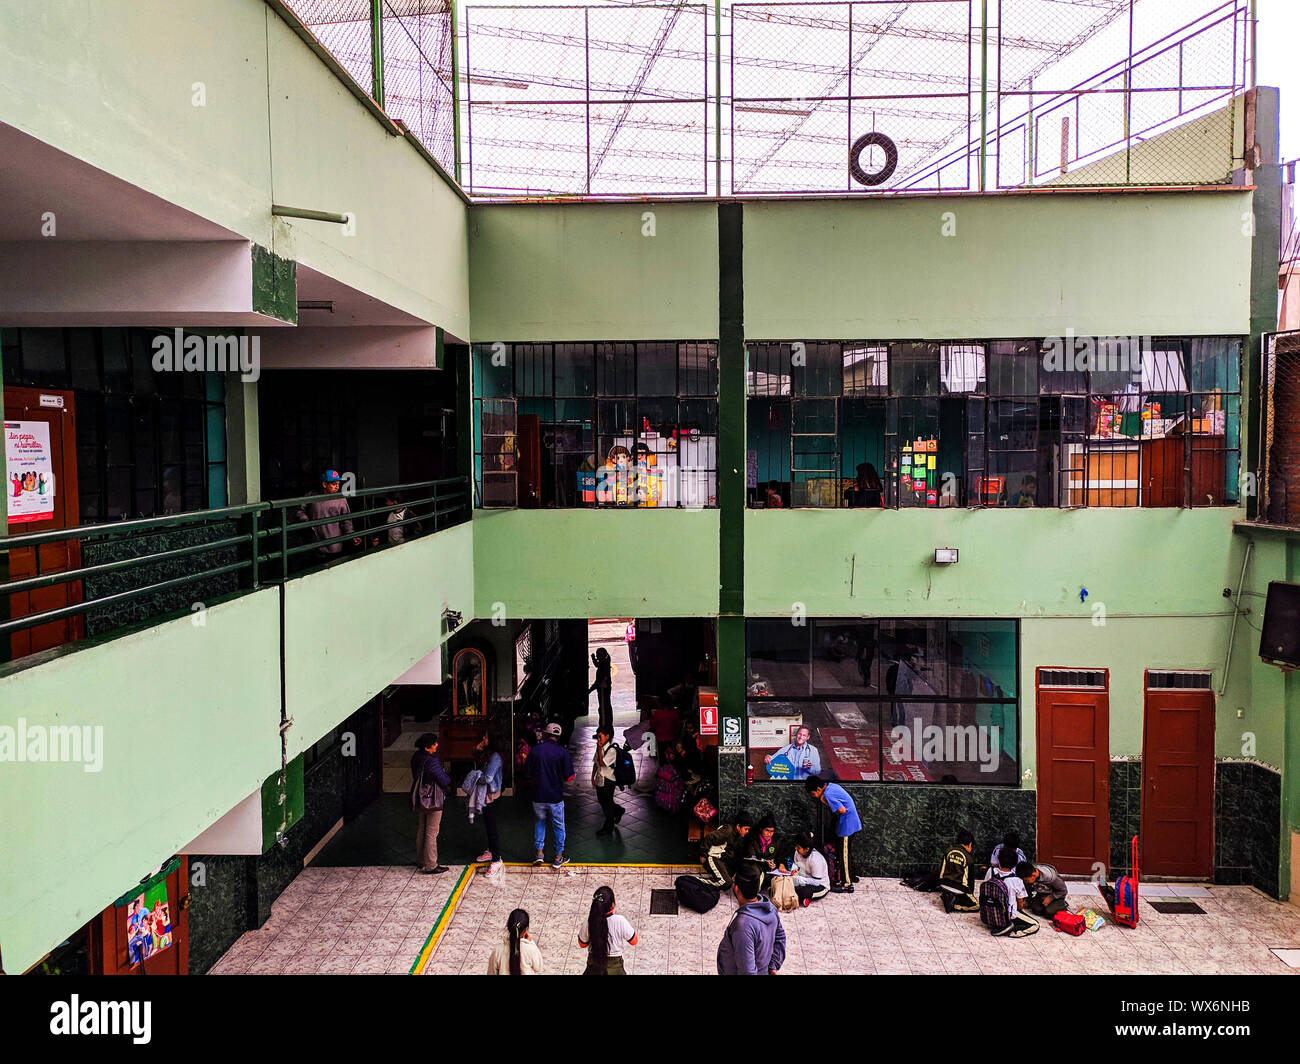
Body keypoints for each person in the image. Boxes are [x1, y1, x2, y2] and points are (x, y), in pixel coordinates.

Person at [716, 865, 786, 976]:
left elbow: (747, 971)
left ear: (736, 889)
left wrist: (773, 965)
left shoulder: (743, 926)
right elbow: (780, 937)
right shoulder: (770, 909)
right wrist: (773, 966)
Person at [524, 722, 574, 869]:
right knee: (559, 826)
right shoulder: (562, 752)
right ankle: (558, 857)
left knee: (540, 823)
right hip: (555, 797)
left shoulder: (535, 750)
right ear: (558, 736)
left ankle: (539, 854)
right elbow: (569, 777)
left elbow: (527, 772)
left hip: (538, 796)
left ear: (545, 734)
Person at [804, 775, 861, 892]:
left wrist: (824, 801)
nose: (813, 797)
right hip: (850, 823)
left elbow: (842, 810)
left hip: (847, 825)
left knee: (843, 854)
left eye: (813, 794)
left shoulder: (827, 795)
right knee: (846, 852)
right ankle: (851, 875)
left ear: (818, 789)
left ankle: (847, 884)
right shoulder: (831, 786)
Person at [410, 732, 452, 875]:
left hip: (420, 797)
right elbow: (443, 779)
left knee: (422, 828)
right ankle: (431, 864)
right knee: (432, 832)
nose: (437, 745)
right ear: (428, 747)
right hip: (432, 799)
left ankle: (421, 860)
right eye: (434, 744)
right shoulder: (432, 761)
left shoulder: (416, 757)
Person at [294, 469, 359, 558]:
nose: (337, 487)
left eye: (338, 484)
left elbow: (346, 520)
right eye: (333, 484)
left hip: (334, 546)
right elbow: (299, 510)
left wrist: (352, 535)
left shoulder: (341, 499)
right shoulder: (312, 495)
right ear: (324, 484)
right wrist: (306, 521)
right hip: (315, 545)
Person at [579, 885, 638, 975]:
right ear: (613, 904)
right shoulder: (620, 921)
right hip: (615, 967)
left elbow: (582, 944)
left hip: (593, 966)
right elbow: (634, 941)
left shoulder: (589, 921)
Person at [982, 850, 1037, 938]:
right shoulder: (1017, 880)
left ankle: (998, 924)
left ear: (999, 860)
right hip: (1007, 916)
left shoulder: (991, 871)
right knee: (1035, 925)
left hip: (989, 912)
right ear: (1015, 863)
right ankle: (1010, 930)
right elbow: (1020, 904)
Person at [472, 734, 505, 877]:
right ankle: (491, 851)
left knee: (491, 827)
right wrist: (478, 751)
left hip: (491, 796)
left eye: (486, 737)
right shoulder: (489, 755)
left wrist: (474, 778)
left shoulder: (495, 757)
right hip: (487, 795)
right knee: (488, 824)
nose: (483, 739)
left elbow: (488, 778)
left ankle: (497, 859)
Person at [700, 811, 753, 887]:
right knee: (726, 883)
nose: (747, 832)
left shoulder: (737, 834)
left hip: (721, 859)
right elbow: (710, 837)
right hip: (712, 858)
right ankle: (697, 881)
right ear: (738, 826)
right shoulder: (728, 831)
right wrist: (703, 855)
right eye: (746, 829)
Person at [487, 909, 545, 975]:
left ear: (508, 927)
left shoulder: (497, 951)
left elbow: (491, 973)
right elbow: (539, 968)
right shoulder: (531, 950)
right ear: (526, 930)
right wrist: (531, 942)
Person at [592, 726, 624, 836]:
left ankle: (608, 827)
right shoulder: (599, 749)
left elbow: (602, 763)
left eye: (600, 737)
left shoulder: (612, 750)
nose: (599, 740)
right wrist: (592, 777)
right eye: (598, 737)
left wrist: (600, 749)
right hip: (600, 780)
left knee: (607, 804)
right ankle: (619, 810)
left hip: (609, 781)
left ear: (607, 736)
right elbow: (596, 763)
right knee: (603, 801)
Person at [938, 829, 979, 913]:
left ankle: (947, 896)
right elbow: (970, 881)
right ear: (970, 844)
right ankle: (955, 905)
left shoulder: (948, 851)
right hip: (959, 888)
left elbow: (941, 870)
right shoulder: (969, 858)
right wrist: (970, 895)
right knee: (976, 906)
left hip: (943, 884)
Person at [789, 831, 830, 906]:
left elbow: (816, 882)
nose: (796, 849)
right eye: (796, 846)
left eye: (798, 847)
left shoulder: (815, 859)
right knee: (788, 885)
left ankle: (806, 897)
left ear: (807, 849)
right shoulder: (797, 853)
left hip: (820, 885)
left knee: (804, 892)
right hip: (804, 880)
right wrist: (793, 873)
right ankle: (803, 898)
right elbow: (796, 867)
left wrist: (800, 879)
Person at [744, 813, 784, 887]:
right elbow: (751, 857)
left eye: (772, 831)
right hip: (755, 869)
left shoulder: (776, 842)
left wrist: (779, 865)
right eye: (767, 830)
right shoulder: (753, 839)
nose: (769, 834)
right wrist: (766, 863)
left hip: (769, 872)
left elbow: (780, 857)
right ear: (761, 829)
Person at [588, 647, 614, 737]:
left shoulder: (604, 666)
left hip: (603, 690)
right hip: (603, 689)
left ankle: (604, 730)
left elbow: (599, 681)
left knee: (603, 710)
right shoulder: (605, 662)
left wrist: (590, 690)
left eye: (598, 655)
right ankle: (606, 729)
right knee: (605, 709)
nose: (597, 657)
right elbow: (597, 665)